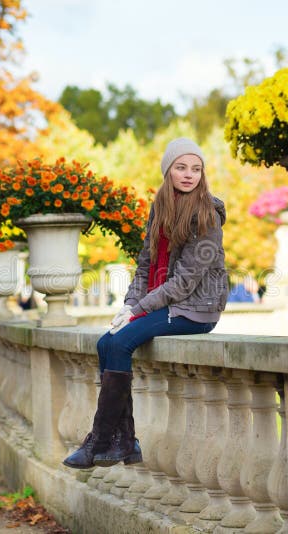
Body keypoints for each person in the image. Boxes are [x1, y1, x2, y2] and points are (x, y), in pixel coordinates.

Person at [62, 137, 229, 469]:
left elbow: (185, 282)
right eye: (181, 167)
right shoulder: (161, 210)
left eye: (196, 169)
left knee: (120, 343)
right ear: (168, 171)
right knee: (105, 342)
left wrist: (140, 310)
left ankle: (101, 440)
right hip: (166, 302)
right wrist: (128, 304)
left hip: (195, 308)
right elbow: (144, 266)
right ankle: (125, 442)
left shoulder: (207, 215)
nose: (189, 175)